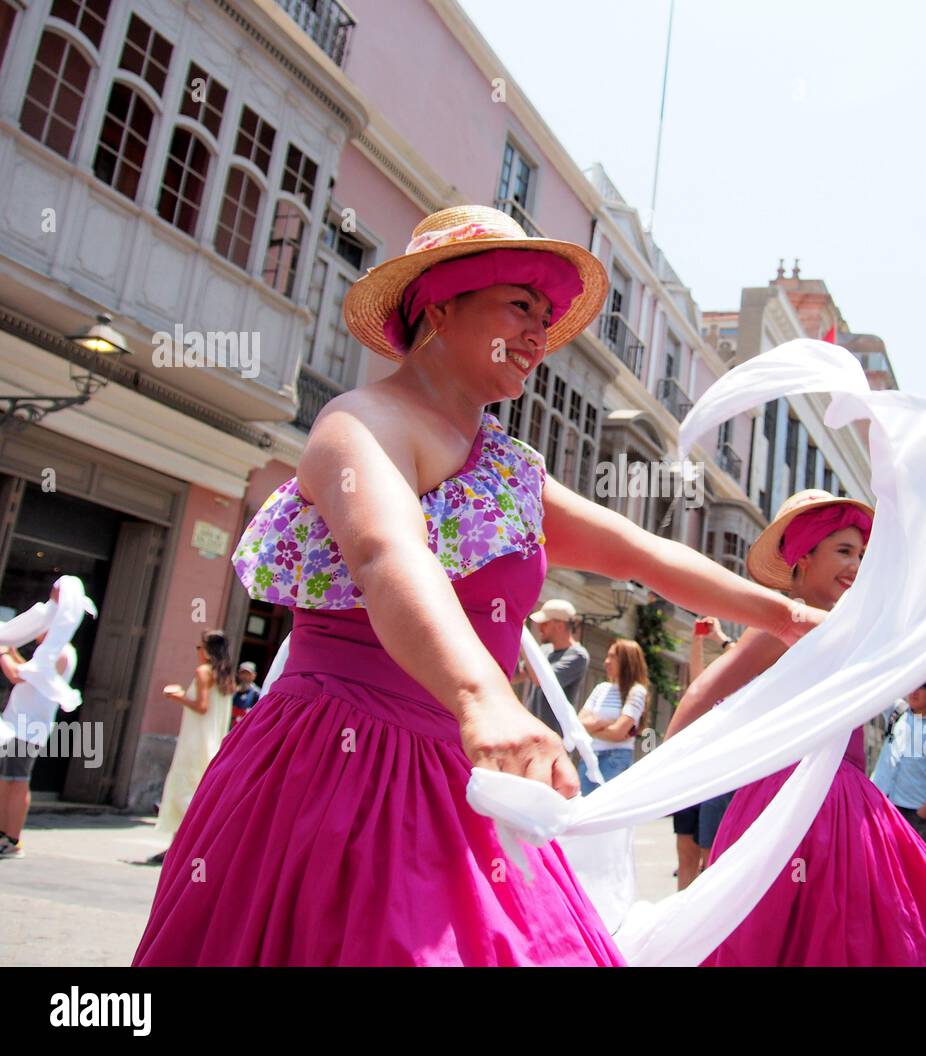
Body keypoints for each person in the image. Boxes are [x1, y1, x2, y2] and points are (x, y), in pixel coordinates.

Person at [133, 206, 820, 967]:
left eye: (549, 316)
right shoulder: (358, 422)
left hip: (471, 772)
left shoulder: (511, 470)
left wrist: (789, 613)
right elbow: (388, 553)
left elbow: (642, 553)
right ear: (439, 303)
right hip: (339, 765)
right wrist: (481, 697)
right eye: (521, 306)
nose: (541, 335)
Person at [667, 490, 926, 966]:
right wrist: (659, 782)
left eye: (860, 554)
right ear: (805, 556)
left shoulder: (857, 630)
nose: (855, 565)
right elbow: (702, 693)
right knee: (771, 931)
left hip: (851, 805)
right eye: (843, 551)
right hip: (780, 803)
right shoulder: (776, 624)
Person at [0, 577, 95, 860]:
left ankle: (12, 838)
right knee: (6, 779)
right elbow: (26, 672)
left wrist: (4, 652)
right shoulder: (50, 653)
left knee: (16, 779)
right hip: (18, 725)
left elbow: (18, 676)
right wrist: (10, 647)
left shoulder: (61, 653)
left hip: (28, 728)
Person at [150, 630, 236, 862]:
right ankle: (177, 846)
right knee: (195, 790)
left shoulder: (204, 672)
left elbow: (201, 706)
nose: (197, 652)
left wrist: (176, 696)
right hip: (213, 740)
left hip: (196, 740)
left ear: (207, 651)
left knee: (184, 790)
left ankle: (188, 844)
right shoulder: (226, 676)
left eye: (199, 648)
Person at [673, 616, 734, 890]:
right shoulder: (708, 694)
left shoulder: (746, 691)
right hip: (690, 778)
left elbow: (737, 656)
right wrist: (697, 641)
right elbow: (695, 678)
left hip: (718, 782)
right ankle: (676, 916)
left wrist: (720, 637)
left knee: (711, 857)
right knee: (685, 853)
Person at [870, 675, 926, 844]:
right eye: (913, 685)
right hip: (881, 803)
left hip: (914, 811)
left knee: (910, 868)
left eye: (922, 687)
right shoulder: (897, 712)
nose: (914, 692)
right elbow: (880, 687)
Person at [576, 639, 649, 796]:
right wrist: (606, 724)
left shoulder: (636, 691)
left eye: (612, 657)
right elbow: (578, 724)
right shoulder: (601, 689)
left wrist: (592, 727)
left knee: (601, 812)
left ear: (626, 661)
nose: (606, 662)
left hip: (614, 758)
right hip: (590, 757)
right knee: (580, 810)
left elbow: (618, 733)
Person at [522, 598, 589, 734]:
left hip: (554, 738)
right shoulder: (544, 649)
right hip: (532, 733)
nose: (540, 628)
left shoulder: (578, 656)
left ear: (560, 625)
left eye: (545, 624)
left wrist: (522, 638)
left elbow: (541, 681)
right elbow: (518, 674)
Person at [230, 662, 261, 726]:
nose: (245, 676)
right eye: (243, 673)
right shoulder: (232, 690)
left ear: (254, 675)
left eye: (248, 674)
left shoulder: (257, 694)